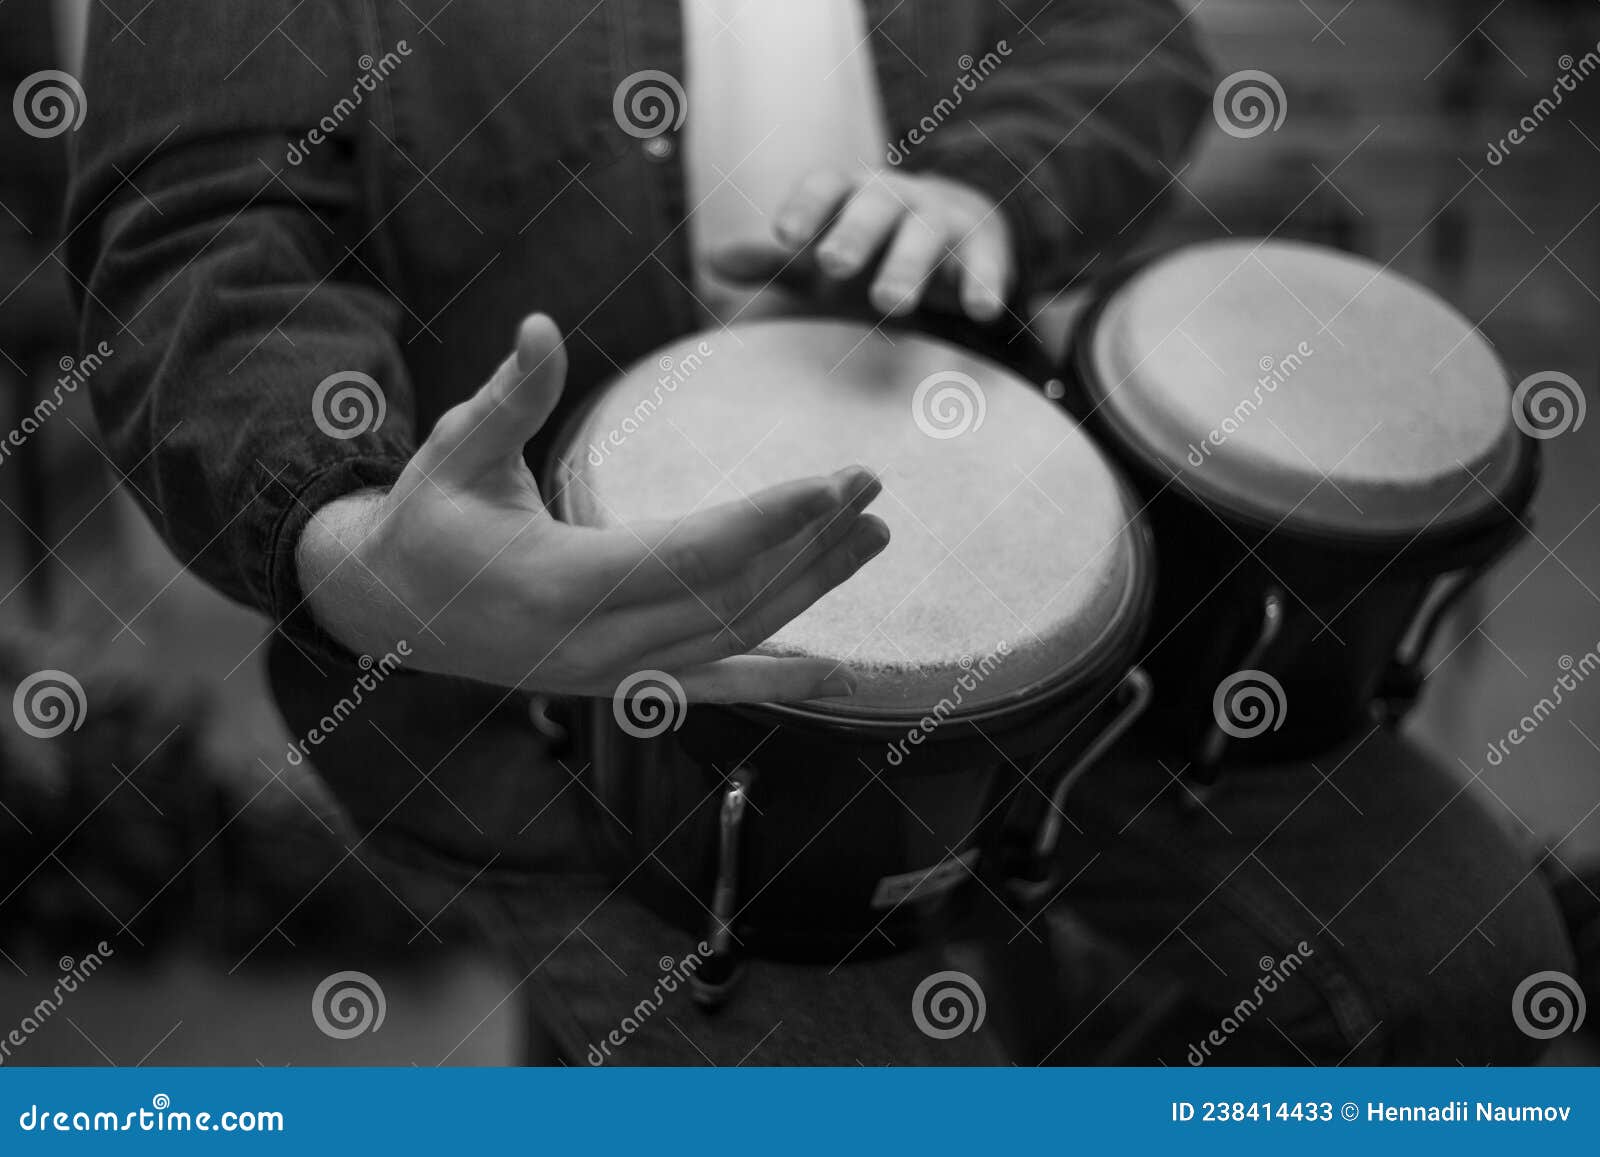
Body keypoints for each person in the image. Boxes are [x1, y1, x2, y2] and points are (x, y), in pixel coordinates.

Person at [65, 0, 1579, 1064]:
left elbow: (1125, 35)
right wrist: (343, 535)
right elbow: (200, 234)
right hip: (530, 690)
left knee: (1476, 977)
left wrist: (979, 190)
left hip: (1014, 563)